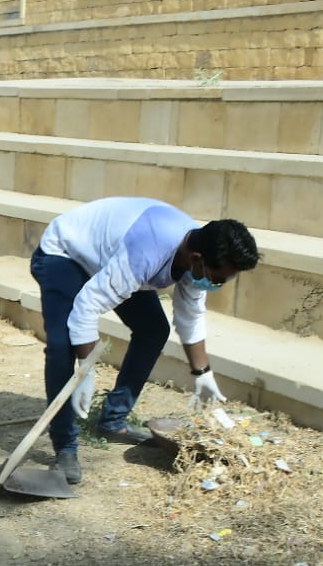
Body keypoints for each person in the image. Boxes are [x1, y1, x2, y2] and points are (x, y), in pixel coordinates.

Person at [30, 197, 261, 484]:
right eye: (218, 279)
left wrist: (202, 374)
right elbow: (87, 307)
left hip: (112, 257)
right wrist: (85, 370)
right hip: (67, 253)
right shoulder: (147, 251)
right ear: (198, 260)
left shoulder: (198, 250)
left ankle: (113, 421)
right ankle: (65, 446)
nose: (217, 285)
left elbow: (190, 315)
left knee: (153, 329)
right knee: (62, 344)